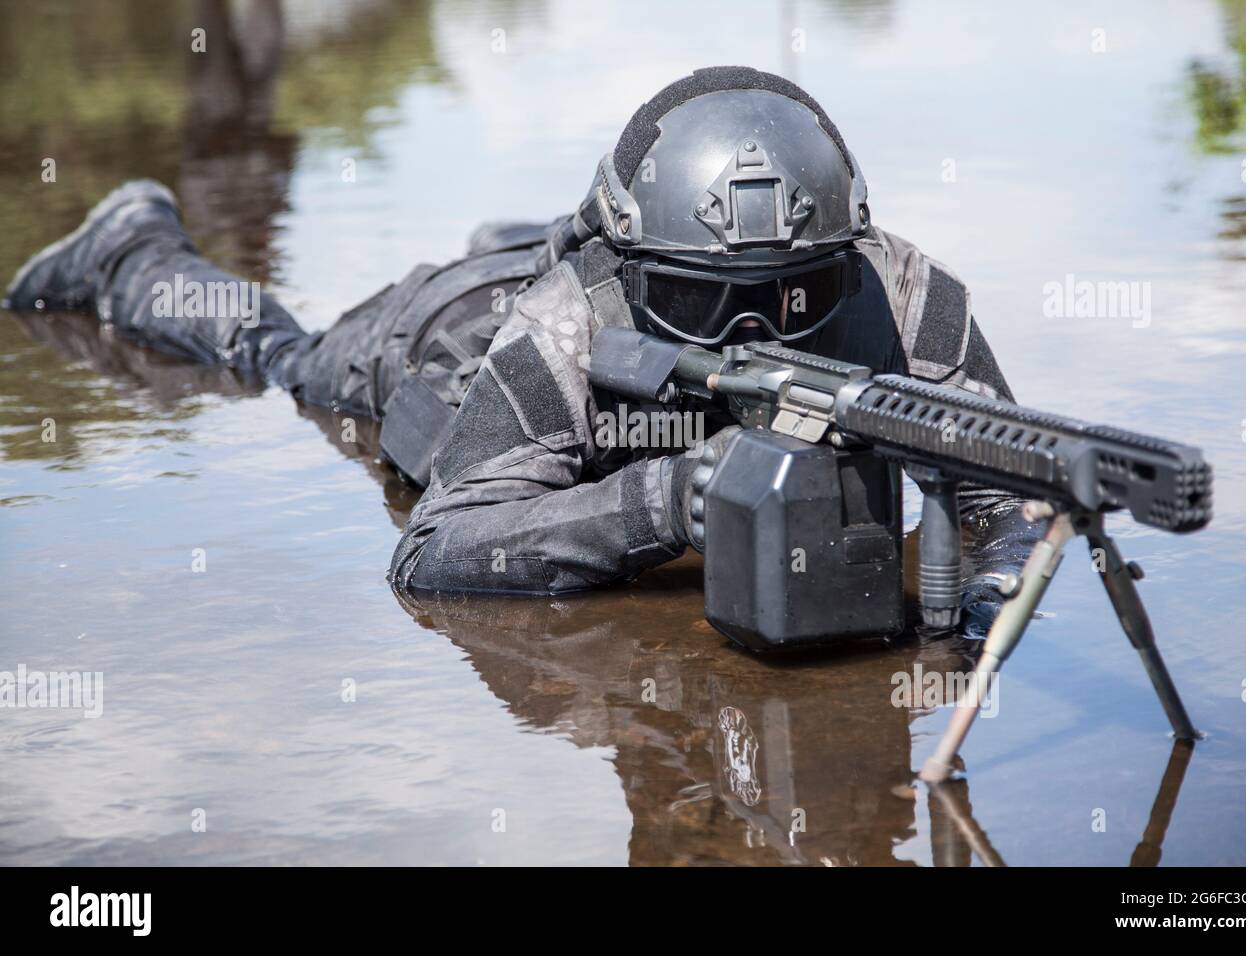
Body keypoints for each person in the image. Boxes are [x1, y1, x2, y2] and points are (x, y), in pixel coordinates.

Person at [5, 66, 1035, 632]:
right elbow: (432, 550)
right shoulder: (568, 324)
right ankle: (134, 249)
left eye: (796, 293)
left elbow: (1013, 490)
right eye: (699, 299)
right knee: (281, 360)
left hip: (552, 277)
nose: (751, 332)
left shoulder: (901, 295)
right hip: (446, 336)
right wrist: (657, 501)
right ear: (634, 266)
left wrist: (982, 604)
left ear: (846, 252)